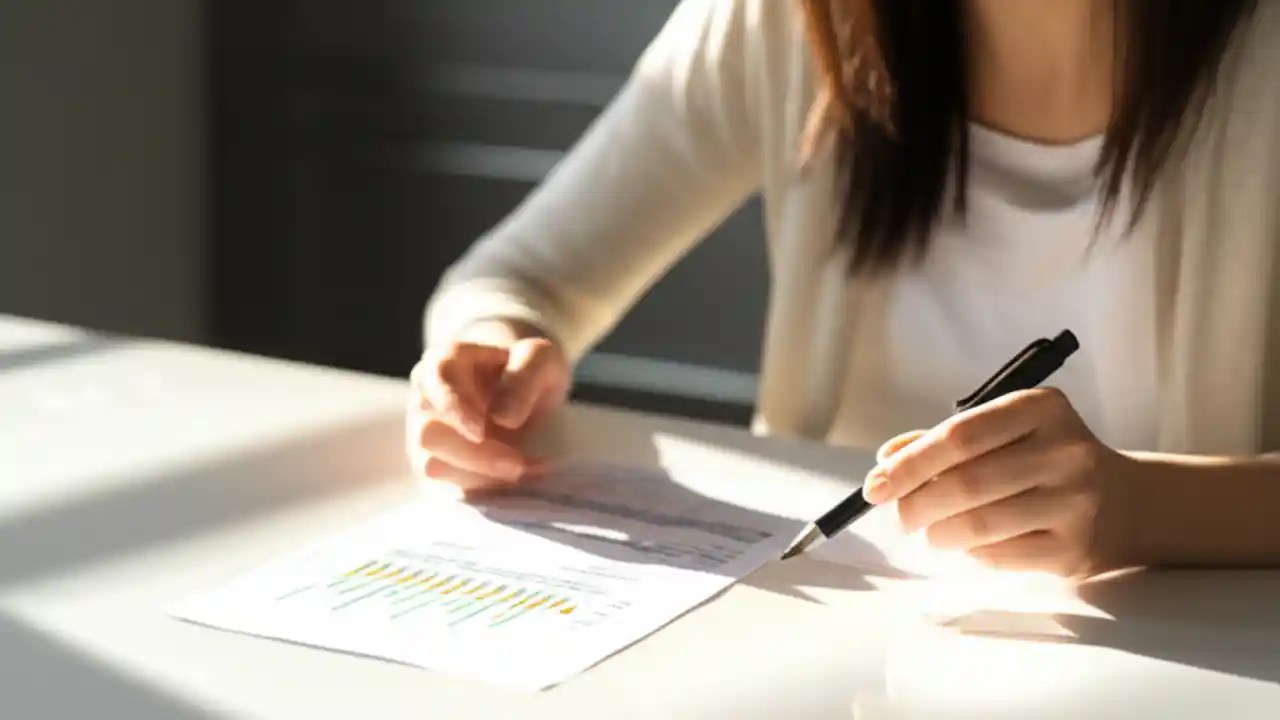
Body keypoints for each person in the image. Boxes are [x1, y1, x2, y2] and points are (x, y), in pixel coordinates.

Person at [408, 0, 1280, 577]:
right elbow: (518, 277)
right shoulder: (786, 18)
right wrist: (486, 352)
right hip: (848, 643)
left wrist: (1148, 508)